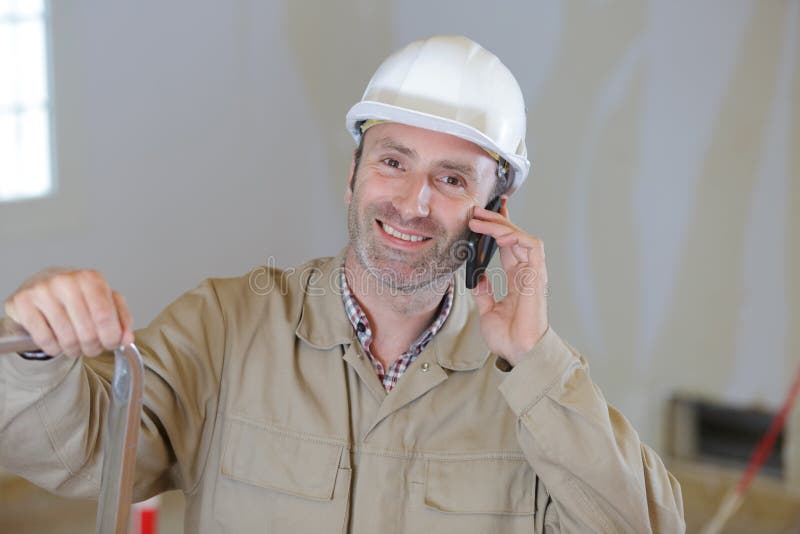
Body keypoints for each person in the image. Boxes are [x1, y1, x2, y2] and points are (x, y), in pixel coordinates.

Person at [0, 35, 684, 533]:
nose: (413, 202)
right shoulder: (227, 327)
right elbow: (83, 457)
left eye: (451, 179)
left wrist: (535, 360)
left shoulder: (530, 389)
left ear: (494, 215)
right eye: (393, 161)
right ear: (353, 176)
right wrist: (39, 349)